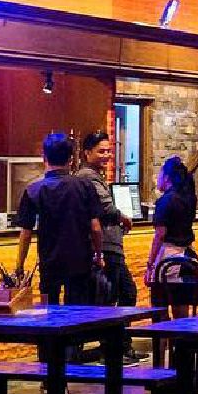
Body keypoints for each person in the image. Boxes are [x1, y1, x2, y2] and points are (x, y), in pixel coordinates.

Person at [15, 132, 104, 306]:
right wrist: (98, 255)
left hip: (49, 263)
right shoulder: (85, 186)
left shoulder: (34, 190)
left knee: (49, 310)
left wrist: (19, 266)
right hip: (80, 262)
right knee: (78, 312)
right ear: (71, 159)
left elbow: (26, 234)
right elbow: (95, 228)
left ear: (44, 158)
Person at [78, 130, 141, 364]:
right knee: (115, 297)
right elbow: (105, 208)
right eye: (101, 151)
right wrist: (124, 218)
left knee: (119, 295)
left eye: (108, 151)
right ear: (87, 153)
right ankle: (112, 350)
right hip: (105, 248)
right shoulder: (88, 177)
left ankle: (119, 346)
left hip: (110, 246)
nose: (106, 155)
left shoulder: (95, 176)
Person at [144, 156, 198, 303]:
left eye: (160, 173)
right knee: (181, 305)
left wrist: (150, 265)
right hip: (189, 256)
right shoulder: (189, 198)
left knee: (160, 305)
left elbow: (160, 236)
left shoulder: (165, 201)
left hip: (169, 259)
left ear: (167, 177)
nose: (158, 178)